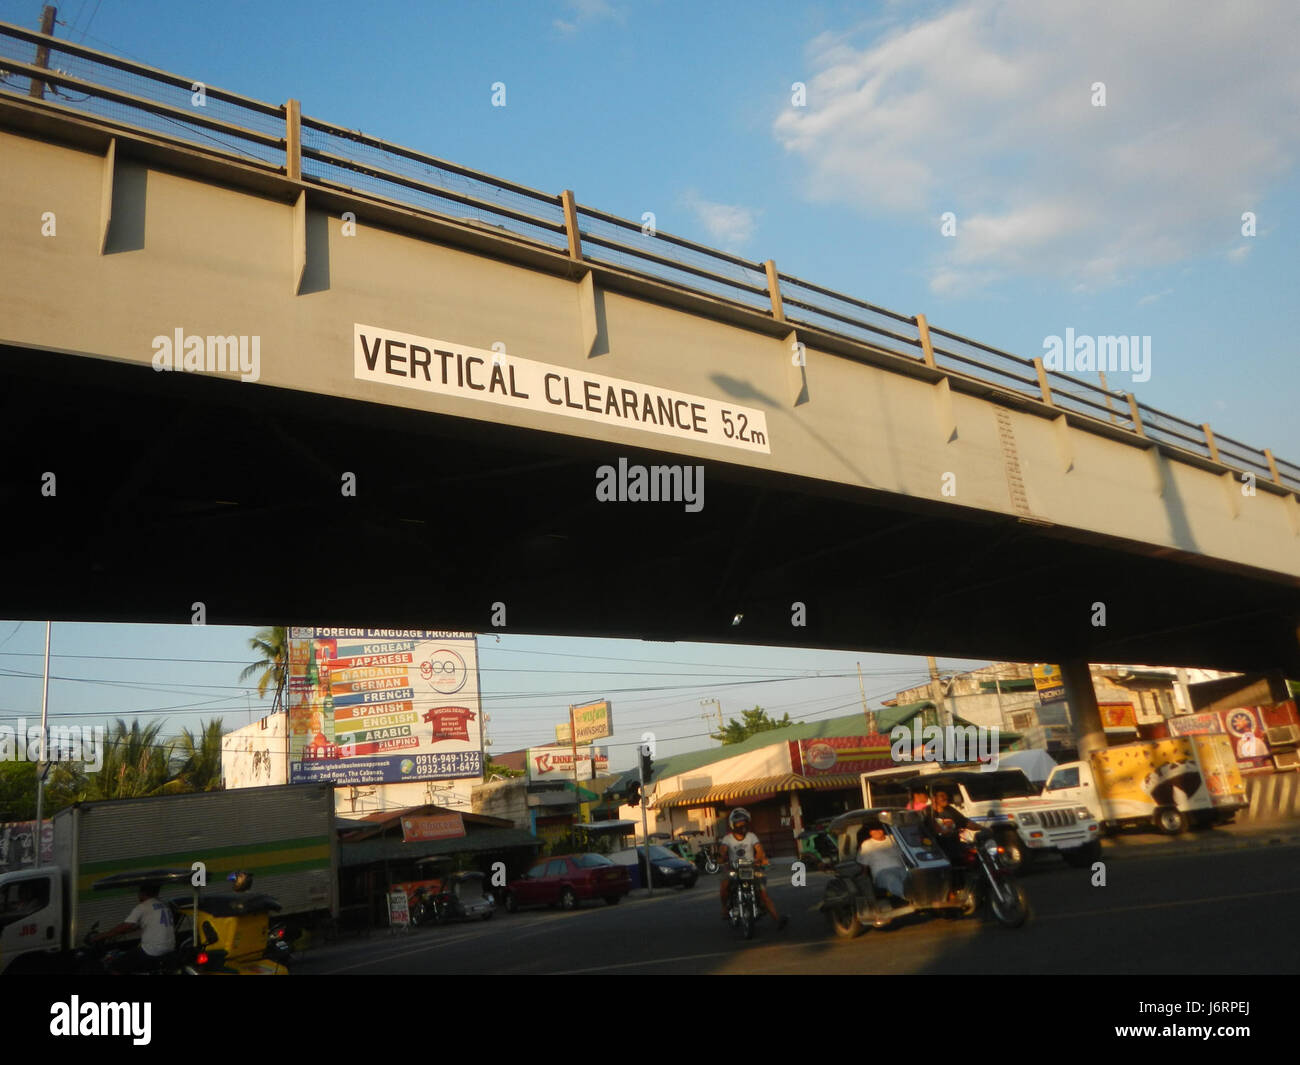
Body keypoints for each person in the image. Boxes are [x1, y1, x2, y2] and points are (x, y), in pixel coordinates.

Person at [718, 808, 787, 930]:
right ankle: (724, 909)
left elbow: (759, 849)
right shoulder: (727, 839)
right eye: (739, 823)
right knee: (724, 886)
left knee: (763, 893)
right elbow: (723, 851)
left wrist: (761, 858)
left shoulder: (751, 836)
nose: (742, 825)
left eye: (744, 822)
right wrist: (721, 858)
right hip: (734, 869)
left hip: (751, 867)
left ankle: (777, 919)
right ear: (732, 824)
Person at [94, 881, 176, 973]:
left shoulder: (142, 907)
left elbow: (126, 925)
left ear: (142, 893)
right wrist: (129, 930)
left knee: (115, 965)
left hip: (152, 949)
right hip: (169, 947)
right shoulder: (164, 904)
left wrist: (103, 935)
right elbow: (150, 923)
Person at [856, 823, 907, 902]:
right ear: (870, 833)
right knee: (892, 879)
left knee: (911, 877)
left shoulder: (893, 838)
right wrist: (864, 877)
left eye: (878, 829)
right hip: (882, 873)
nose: (876, 832)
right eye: (873, 830)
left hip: (901, 869)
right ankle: (909, 897)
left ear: (883, 830)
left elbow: (904, 854)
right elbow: (864, 864)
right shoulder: (866, 844)